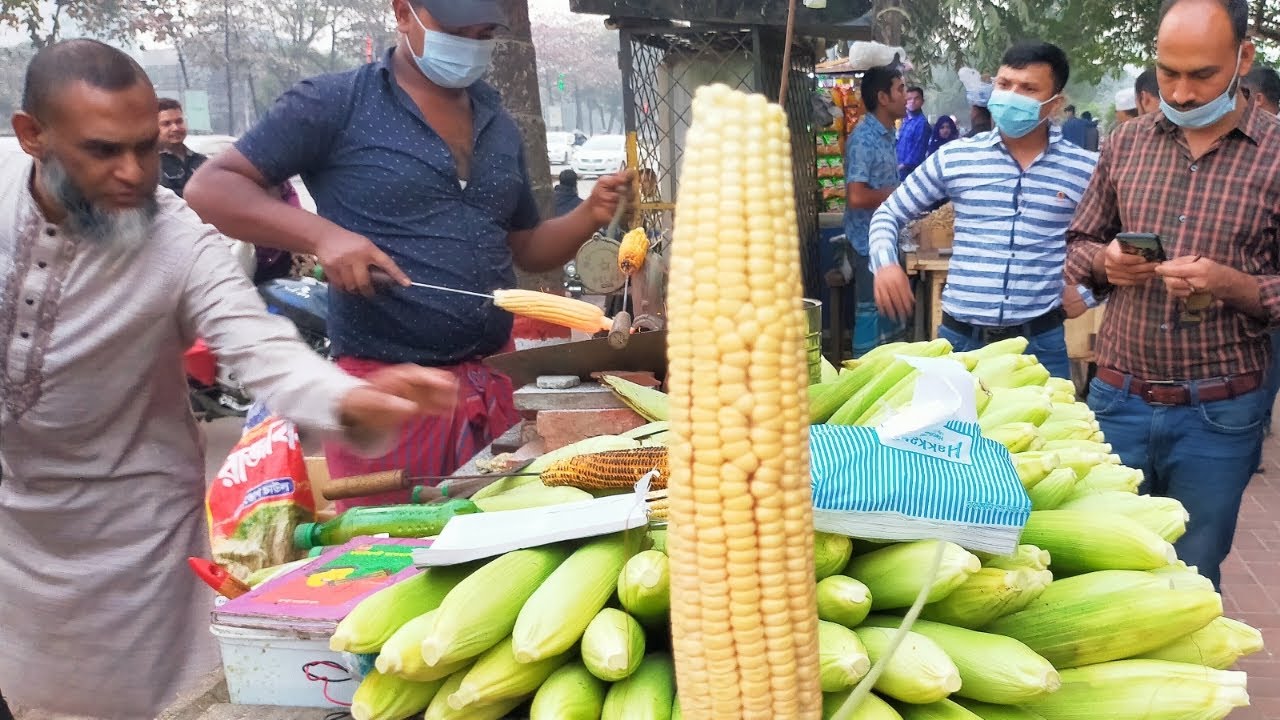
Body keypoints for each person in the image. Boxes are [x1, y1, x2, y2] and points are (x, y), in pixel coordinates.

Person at [0, 39, 460, 718]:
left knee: (147, 704)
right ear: (32, 135)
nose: (133, 173)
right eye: (103, 151)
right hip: (11, 518)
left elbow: (260, 347)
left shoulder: (177, 238)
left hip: (133, 531)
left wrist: (352, 400)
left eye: (145, 148)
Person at [186, 0, 630, 510]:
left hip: (493, 387)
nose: (469, 44)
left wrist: (592, 213)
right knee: (389, 560)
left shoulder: (498, 125)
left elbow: (527, 247)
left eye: (483, 32)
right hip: (387, 396)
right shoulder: (336, 103)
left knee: (491, 551)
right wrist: (323, 237)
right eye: (455, 29)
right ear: (403, 13)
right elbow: (211, 188)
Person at [1065, 0, 1280, 590]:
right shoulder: (1125, 143)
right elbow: (1080, 241)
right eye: (1167, 73)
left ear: (1243, 57)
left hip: (1219, 413)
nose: (1182, 94)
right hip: (1118, 400)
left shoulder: (1276, 154)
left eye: (1202, 75)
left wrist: (1232, 284)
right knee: (1100, 572)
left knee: (1190, 578)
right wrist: (1105, 263)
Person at [869, 41, 1099, 380]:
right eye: (1005, 85)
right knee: (956, 433)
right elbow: (889, 213)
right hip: (962, 342)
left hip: (1038, 345)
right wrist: (885, 263)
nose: (1011, 96)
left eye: (1028, 89)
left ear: (1054, 104)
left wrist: (1090, 294)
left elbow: (1124, 242)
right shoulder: (957, 157)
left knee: (1041, 432)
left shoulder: (1085, 169)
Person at [843, 64, 909, 357]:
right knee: (871, 315)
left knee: (888, 315)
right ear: (883, 97)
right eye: (901, 89)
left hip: (886, 238)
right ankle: (864, 372)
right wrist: (900, 195)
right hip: (866, 243)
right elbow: (856, 197)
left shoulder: (886, 135)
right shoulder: (864, 139)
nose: (906, 96)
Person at [157, 96, 206, 197]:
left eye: (179, 121)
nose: (175, 128)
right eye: (166, 124)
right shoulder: (151, 165)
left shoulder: (201, 161)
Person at [896, 85, 929, 179]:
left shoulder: (922, 124)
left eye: (916, 98)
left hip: (911, 175)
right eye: (909, 99)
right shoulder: (906, 121)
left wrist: (899, 167)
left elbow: (917, 153)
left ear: (922, 102)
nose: (912, 102)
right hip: (898, 173)